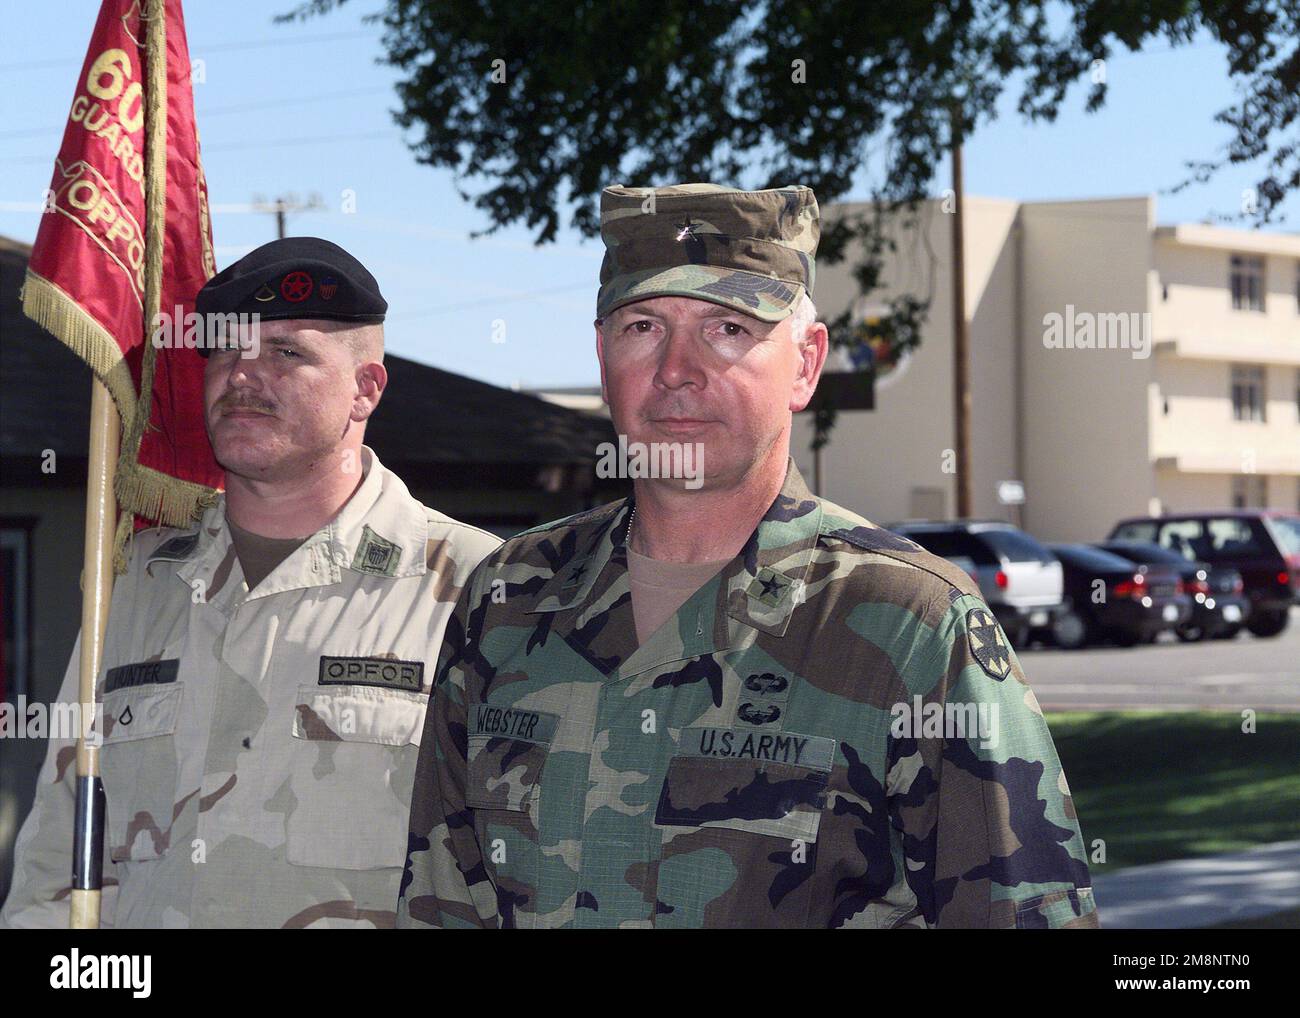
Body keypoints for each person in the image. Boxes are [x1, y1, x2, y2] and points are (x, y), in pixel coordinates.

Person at [397, 184, 1099, 929]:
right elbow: (441, 898)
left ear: (805, 364)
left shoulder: (911, 625)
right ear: (603, 357)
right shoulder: (510, 597)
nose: (676, 369)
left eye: (729, 329)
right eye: (643, 326)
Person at [2, 237, 499, 928]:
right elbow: (57, 867)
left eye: (287, 353)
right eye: (226, 351)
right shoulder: (137, 585)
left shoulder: (476, 588)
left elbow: (520, 873)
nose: (242, 375)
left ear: (365, 390)